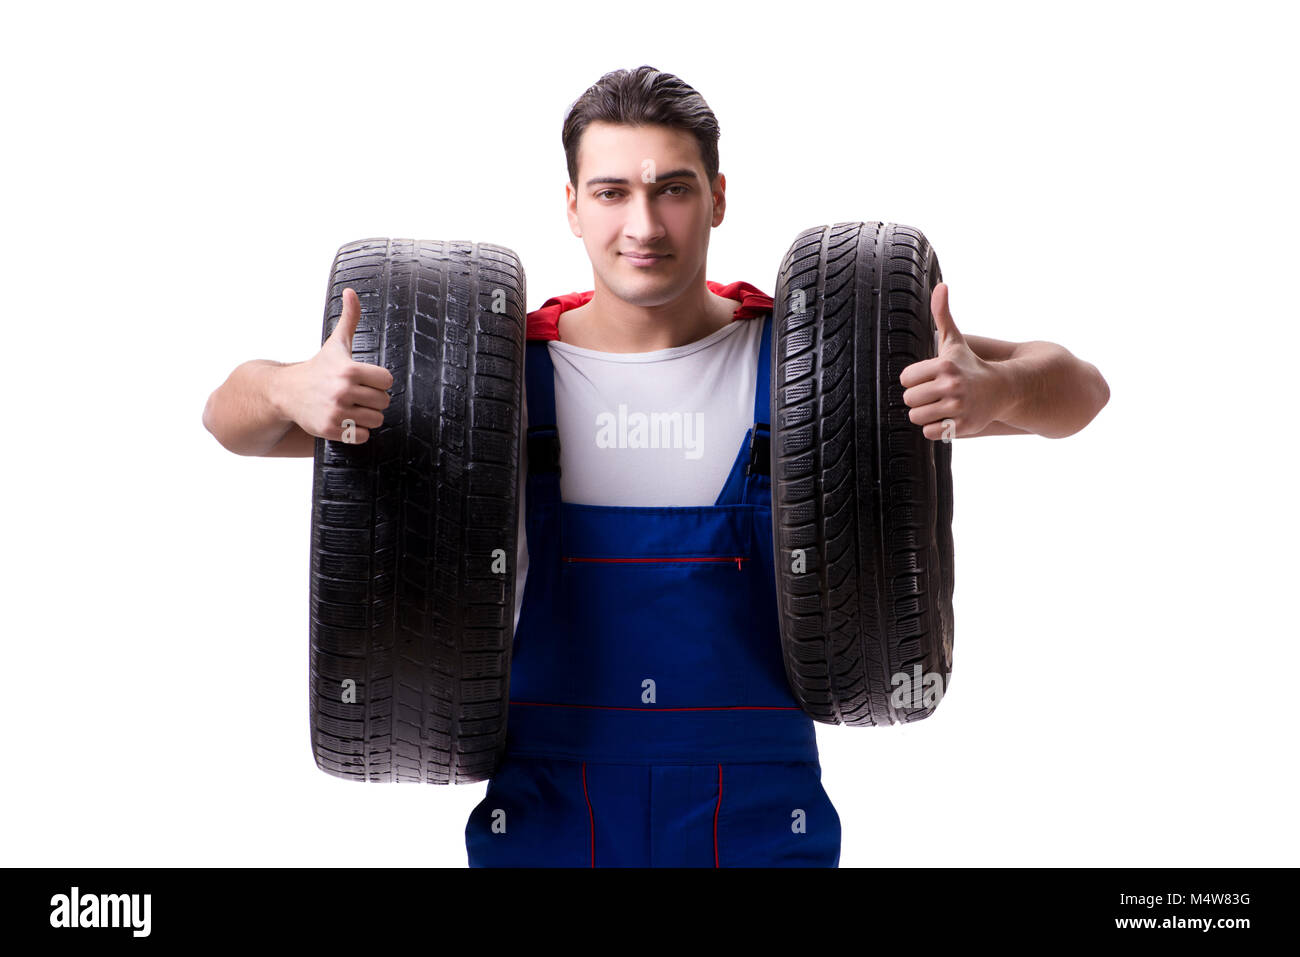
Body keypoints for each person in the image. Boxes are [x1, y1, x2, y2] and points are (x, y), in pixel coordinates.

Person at [202, 65, 1110, 867]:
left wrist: (995, 393)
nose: (644, 224)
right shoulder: (495, 373)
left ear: (718, 197)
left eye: (672, 189)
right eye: (610, 193)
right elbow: (230, 417)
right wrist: (291, 389)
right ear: (571, 206)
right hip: (547, 809)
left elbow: (1079, 388)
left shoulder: (812, 357)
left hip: (758, 813)